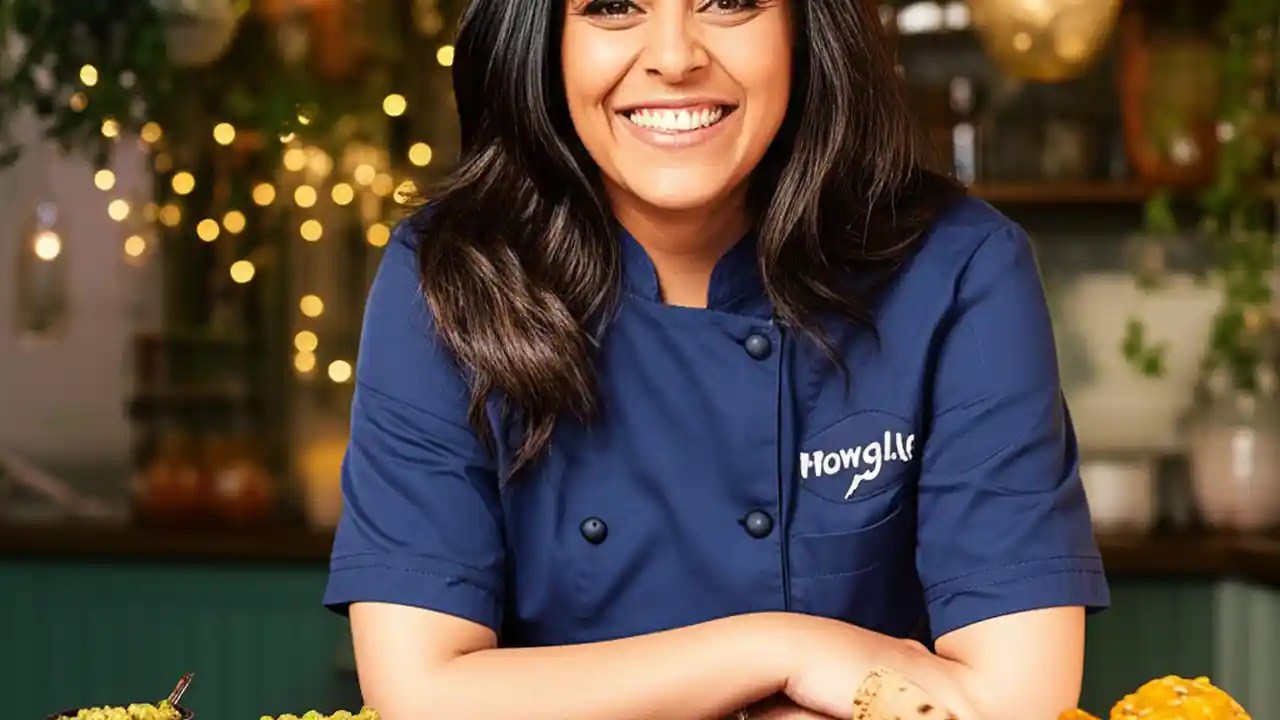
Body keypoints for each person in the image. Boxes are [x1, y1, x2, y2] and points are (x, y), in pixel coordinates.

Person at [322, 0, 1111, 718]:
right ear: (546, 39)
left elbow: (1016, 696)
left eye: (730, 2)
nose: (674, 56)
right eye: (611, 7)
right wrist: (785, 650)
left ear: (806, 26)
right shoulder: (450, 275)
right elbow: (421, 692)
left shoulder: (958, 270)